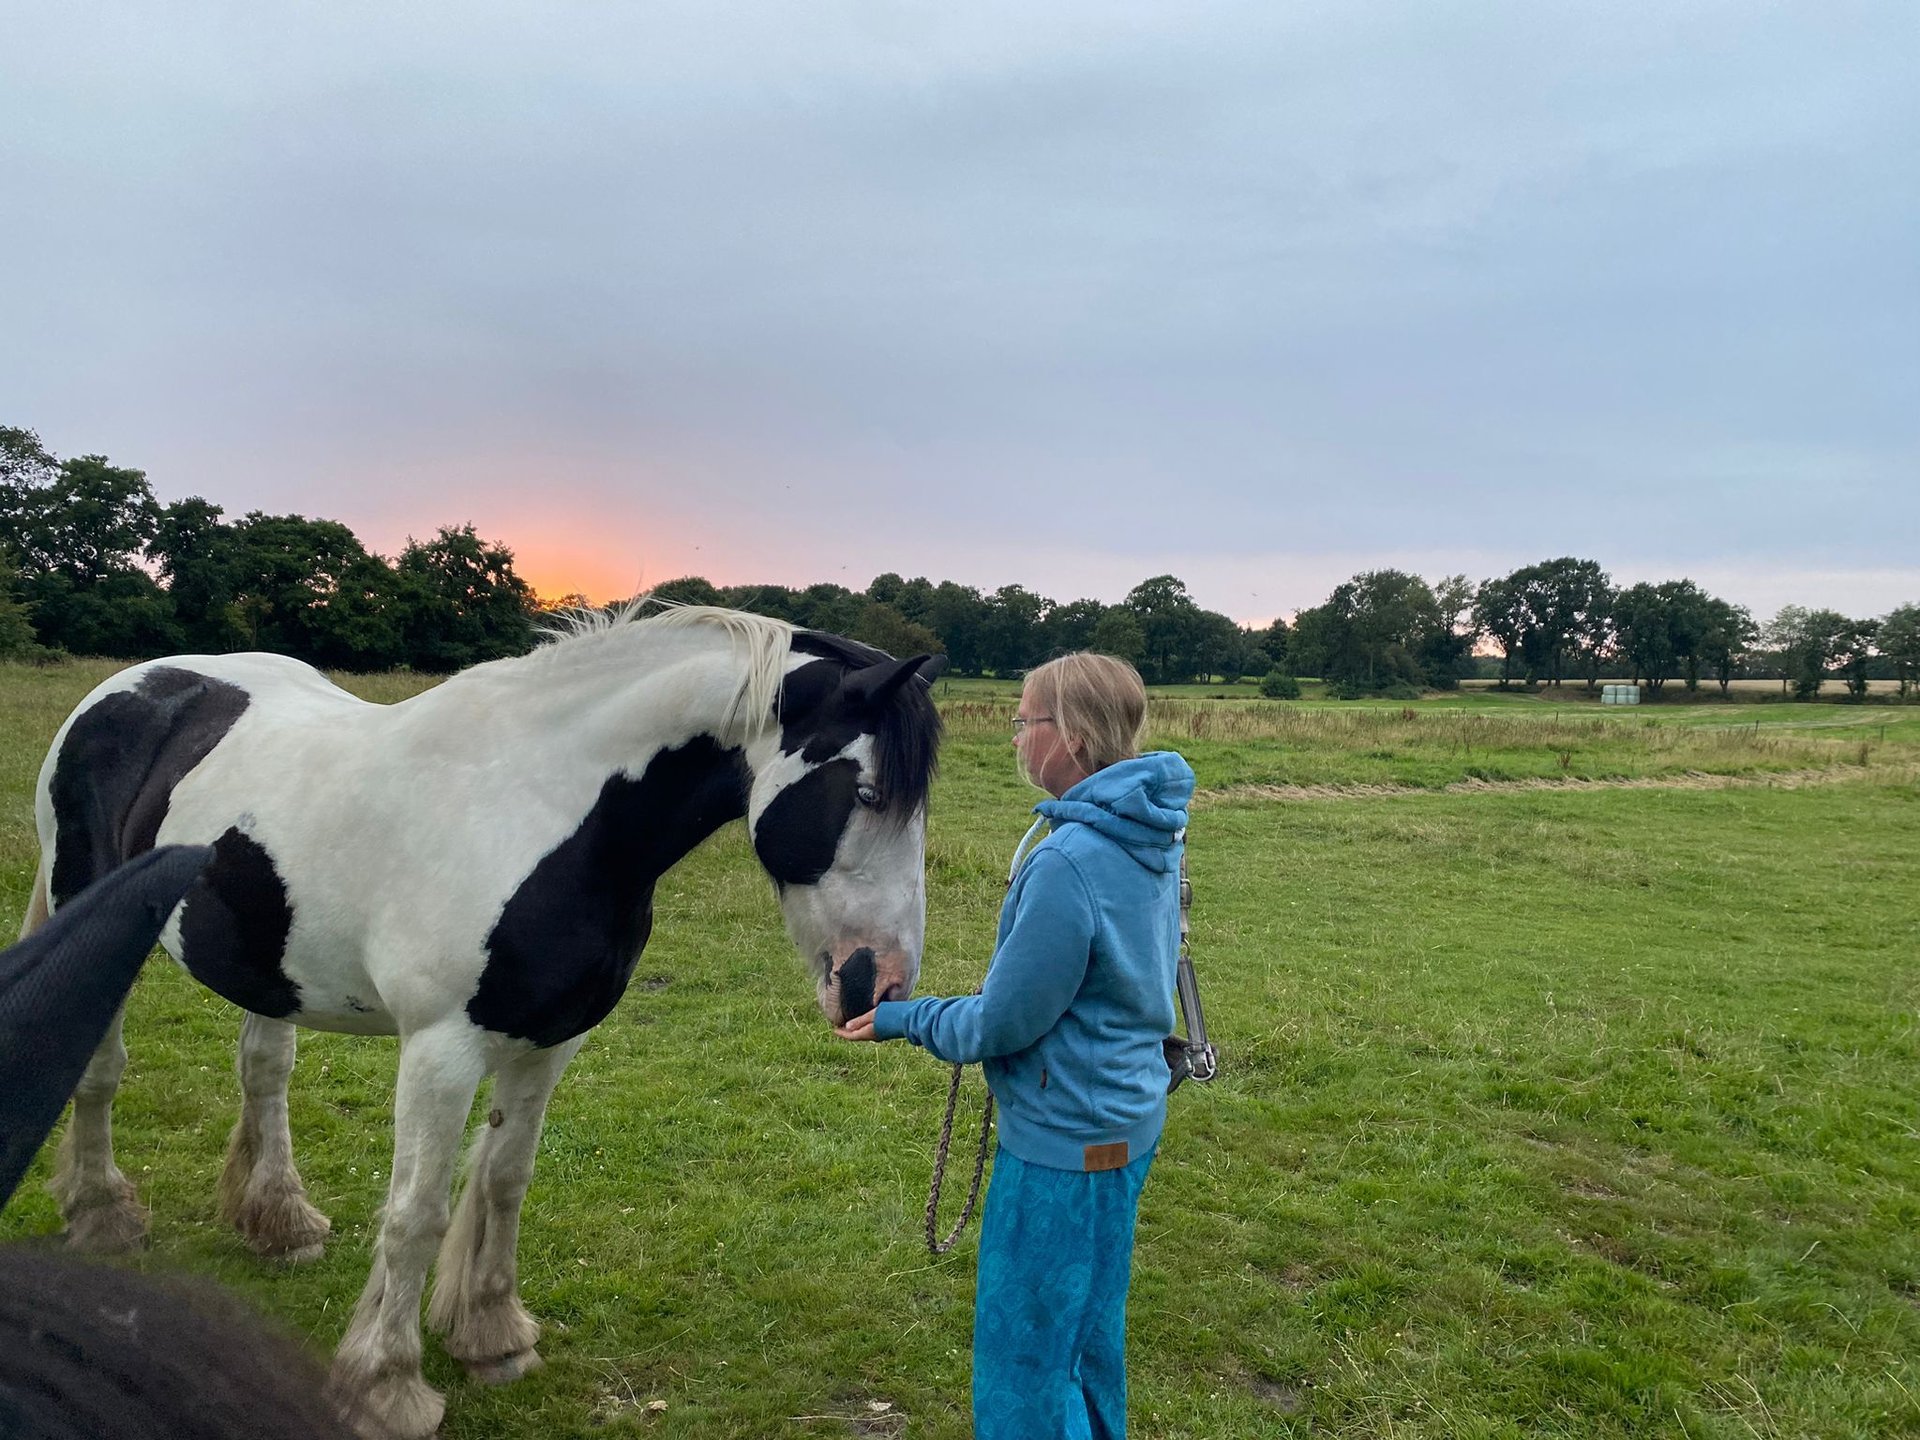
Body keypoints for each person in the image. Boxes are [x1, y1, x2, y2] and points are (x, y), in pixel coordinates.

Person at [836, 651, 1195, 1439]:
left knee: (1027, 1355)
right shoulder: (1149, 828)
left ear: (1070, 734)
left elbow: (1003, 1023)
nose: (1014, 737)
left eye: (1023, 720)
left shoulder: (1069, 861)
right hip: (1125, 1122)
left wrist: (904, 1018)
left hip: (1064, 1144)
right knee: (1091, 1333)